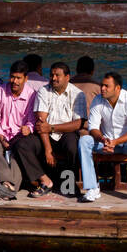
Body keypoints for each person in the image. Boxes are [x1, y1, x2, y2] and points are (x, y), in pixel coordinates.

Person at [14, 61, 86, 198]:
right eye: (52, 75)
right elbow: (42, 123)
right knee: (22, 145)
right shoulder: (43, 91)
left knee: (73, 145)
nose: (53, 78)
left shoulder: (78, 94)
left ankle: (69, 183)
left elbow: (77, 124)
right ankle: (45, 181)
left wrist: (53, 127)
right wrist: (48, 149)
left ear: (67, 77)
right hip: (45, 135)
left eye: (57, 75)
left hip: (66, 134)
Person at [79, 72, 127, 203]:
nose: (102, 88)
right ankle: (92, 188)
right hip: (105, 143)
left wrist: (116, 142)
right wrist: (103, 140)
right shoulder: (98, 100)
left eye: (107, 86)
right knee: (84, 140)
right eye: (102, 85)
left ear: (117, 88)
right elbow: (93, 127)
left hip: (126, 144)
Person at [0, 60, 37, 200]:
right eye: (12, 77)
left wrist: (29, 128)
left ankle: (7, 188)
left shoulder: (32, 95)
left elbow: (32, 120)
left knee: (18, 154)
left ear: (26, 79)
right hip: (0, 135)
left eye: (19, 78)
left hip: (19, 137)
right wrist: (1, 137)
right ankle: (7, 184)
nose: (14, 81)